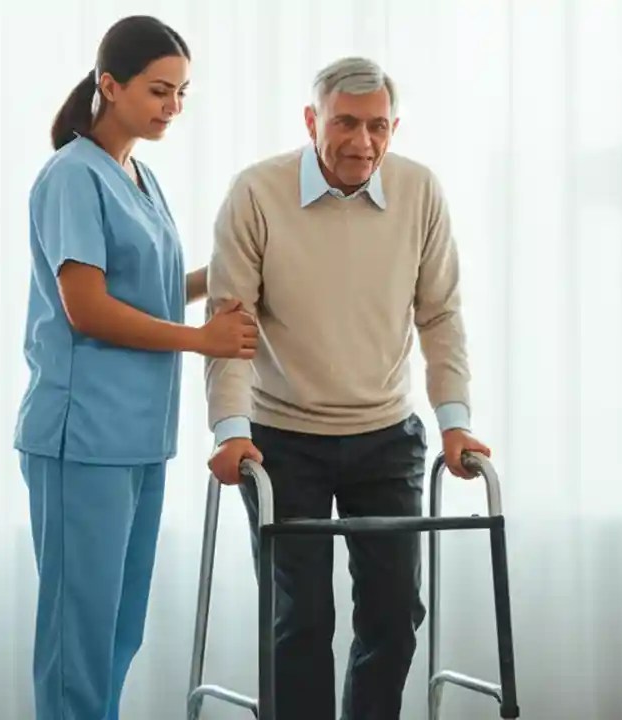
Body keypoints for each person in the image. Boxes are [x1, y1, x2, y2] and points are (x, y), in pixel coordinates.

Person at [204, 56, 492, 719]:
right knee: (301, 618)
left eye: (378, 126)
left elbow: (441, 313)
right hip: (282, 438)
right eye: (345, 124)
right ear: (312, 121)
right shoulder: (256, 191)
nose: (362, 143)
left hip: (386, 435)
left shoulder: (420, 190)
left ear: (394, 127)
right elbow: (231, 321)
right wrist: (231, 431)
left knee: (394, 616)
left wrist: (453, 422)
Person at [13, 15, 258, 720]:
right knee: (79, 634)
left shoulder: (139, 177)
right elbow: (88, 308)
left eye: (182, 93)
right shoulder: (70, 175)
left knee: (120, 628)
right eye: (158, 91)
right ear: (109, 85)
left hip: (139, 439)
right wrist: (201, 341)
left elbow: (144, 290)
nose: (172, 108)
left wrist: (230, 272)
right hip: (80, 438)